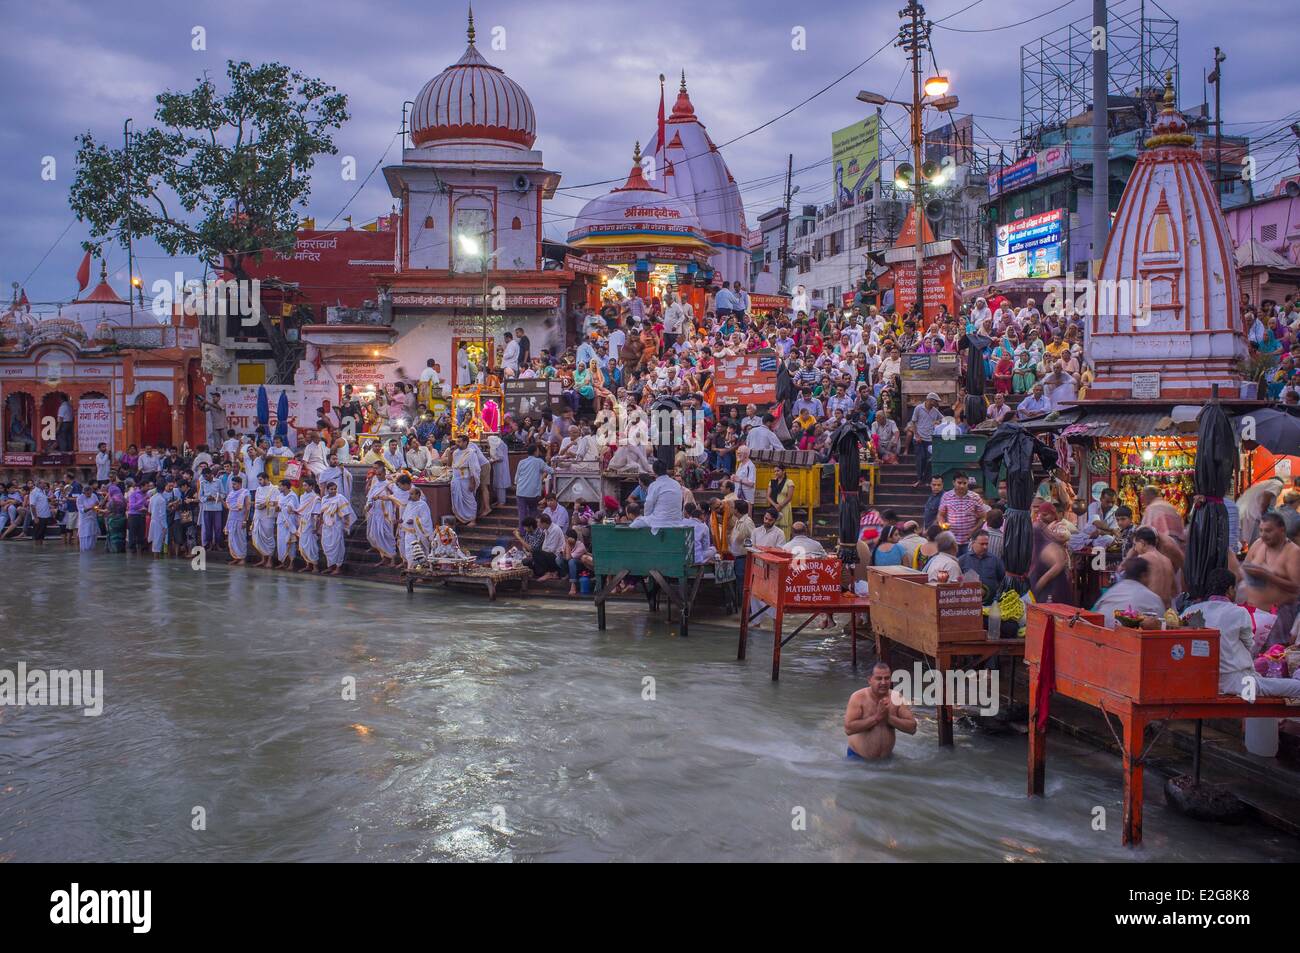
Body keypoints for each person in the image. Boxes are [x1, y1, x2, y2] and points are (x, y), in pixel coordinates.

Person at [1182, 569, 1300, 700]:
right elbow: (1250, 645)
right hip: (1238, 684)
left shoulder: (1189, 612)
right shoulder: (1238, 612)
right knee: (1295, 687)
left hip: (1200, 681)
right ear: (1230, 589)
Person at [844, 661, 918, 760]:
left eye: (887, 678)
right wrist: (876, 718)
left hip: (887, 761)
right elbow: (849, 729)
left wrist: (889, 718)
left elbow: (912, 728)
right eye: (879, 678)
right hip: (858, 759)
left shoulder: (896, 697)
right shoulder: (858, 697)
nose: (883, 682)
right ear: (870, 680)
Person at [1239, 511, 1300, 609]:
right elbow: (1242, 570)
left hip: (1278, 616)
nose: (1263, 535)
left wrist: (1268, 576)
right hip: (1251, 612)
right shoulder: (1258, 544)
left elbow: (1297, 588)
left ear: (1282, 530)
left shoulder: (1293, 552)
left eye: (1268, 531)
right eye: (1261, 530)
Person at [1091, 556, 1166, 626]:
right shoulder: (1153, 598)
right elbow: (1161, 624)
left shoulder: (1112, 591)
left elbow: (1096, 609)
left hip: (1100, 632)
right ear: (1144, 575)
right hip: (1127, 636)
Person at [937, 472, 986, 552]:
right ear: (953, 483)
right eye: (959, 483)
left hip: (969, 541)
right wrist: (942, 525)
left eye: (964, 483)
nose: (962, 486)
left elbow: (983, 517)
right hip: (952, 540)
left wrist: (974, 529)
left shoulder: (975, 497)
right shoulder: (946, 496)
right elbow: (940, 515)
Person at [1130, 526, 1175, 608]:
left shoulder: (1142, 559)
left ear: (1142, 543)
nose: (1135, 549)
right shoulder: (1168, 561)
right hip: (1168, 611)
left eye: (1135, 544)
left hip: (1150, 610)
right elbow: (1174, 590)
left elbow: (1133, 589)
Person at [906, 392, 944, 487]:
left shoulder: (935, 411)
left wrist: (938, 422)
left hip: (930, 439)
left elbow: (943, 419)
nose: (936, 403)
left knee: (929, 460)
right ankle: (919, 479)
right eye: (935, 401)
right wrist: (917, 435)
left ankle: (927, 480)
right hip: (919, 439)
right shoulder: (919, 408)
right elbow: (913, 422)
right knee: (920, 459)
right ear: (930, 400)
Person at [319, 481, 356, 575]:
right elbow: (322, 512)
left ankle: (338, 567)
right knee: (326, 545)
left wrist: (346, 525)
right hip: (326, 526)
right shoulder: (324, 499)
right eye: (331, 489)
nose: (333, 491)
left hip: (336, 525)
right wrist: (320, 523)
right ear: (327, 490)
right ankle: (330, 566)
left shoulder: (340, 498)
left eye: (335, 489)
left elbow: (346, 513)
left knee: (337, 546)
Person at [958, 530, 1005, 602]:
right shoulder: (962, 560)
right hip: (969, 604)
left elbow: (1003, 580)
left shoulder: (995, 560)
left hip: (991, 604)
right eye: (982, 544)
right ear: (973, 543)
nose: (985, 547)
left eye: (986, 544)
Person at [251, 472, 277, 568]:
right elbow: (257, 502)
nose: (259, 482)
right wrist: (261, 505)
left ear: (266, 479)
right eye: (258, 480)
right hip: (258, 515)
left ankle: (269, 560)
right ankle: (263, 559)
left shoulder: (274, 489)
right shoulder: (258, 489)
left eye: (261, 479)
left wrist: (265, 504)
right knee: (259, 538)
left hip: (268, 516)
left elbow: (275, 503)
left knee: (268, 537)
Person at [295, 479, 322, 572]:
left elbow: (317, 514)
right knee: (302, 544)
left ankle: (315, 566)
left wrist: (316, 527)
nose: (304, 487)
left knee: (311, 545)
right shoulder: (302, 497)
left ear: (311, 486)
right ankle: (308, 564)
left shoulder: (315, 498)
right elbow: (300, 510)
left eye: (306, 485)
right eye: (303, 485)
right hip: (302, 523)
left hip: (310, 524)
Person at [224, 475, 250, 566]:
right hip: (231, 518)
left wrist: (244, 521)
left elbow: (247, 508)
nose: (233, 486)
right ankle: (236, 557)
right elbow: (228, 507)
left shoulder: (245, 493)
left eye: (234, 484)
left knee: (240, 539)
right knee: (232, 539)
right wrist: (220, 500)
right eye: (232, 484)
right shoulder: (231, 494)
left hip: (240, 519)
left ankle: (242, 558)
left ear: (240, 484)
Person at [767, 465, 794, 540]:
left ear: (783, 471)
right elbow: (768, 496)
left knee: (784, 527)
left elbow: (789, 497)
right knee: (773, 526)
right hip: (774, 507)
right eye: (775, 471)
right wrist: (775, 505)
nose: (776, 473)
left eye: (778, 471)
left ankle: (785, 543)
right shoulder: (772, 482)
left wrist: (780, 506)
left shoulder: (789, 482)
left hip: (785, 507)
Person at [147, 484, 170, 557]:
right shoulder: (162, 500)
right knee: (158, 543)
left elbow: (149, 510)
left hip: (153, 521)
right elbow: (162, 515)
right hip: (159, 523)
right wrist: (165, 526)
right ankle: (156, 562)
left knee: (155, 541)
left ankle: (155, 561)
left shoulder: (152, 498)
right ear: (163, 489)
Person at [76, 486, 100, 552]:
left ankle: (92, 551)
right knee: (85, 536)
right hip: (84, 520)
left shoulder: (94, 495)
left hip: (93, 519)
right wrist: (92, 507)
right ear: (84, 493)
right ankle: (85, 551)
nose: (89, 495)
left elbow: (97, 504)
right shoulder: (79, 498)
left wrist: (97, 507)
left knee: (93, 535)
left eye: (90, 493)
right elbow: (82, 510)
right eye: (87, 494)